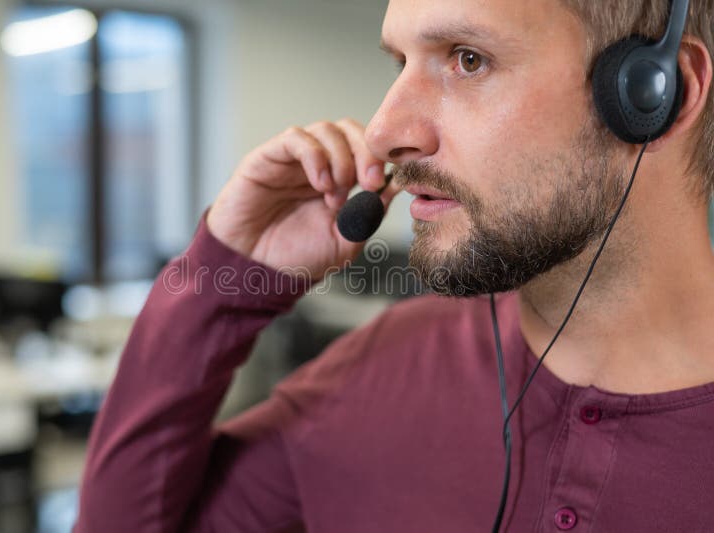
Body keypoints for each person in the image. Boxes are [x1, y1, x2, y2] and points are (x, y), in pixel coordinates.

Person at [74, 0, 714, 531]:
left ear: (661, 93)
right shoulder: (383, 365)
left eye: (468, 60)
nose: (382, 130)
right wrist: (228, 272)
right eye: (400, 62)